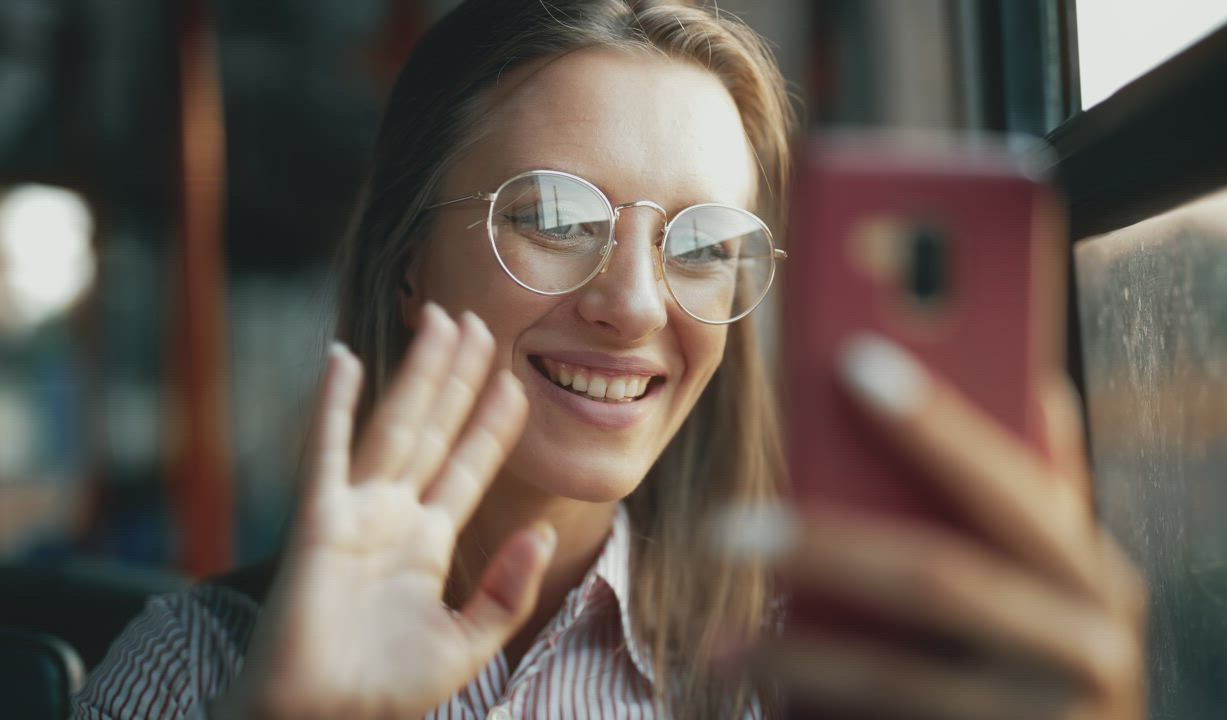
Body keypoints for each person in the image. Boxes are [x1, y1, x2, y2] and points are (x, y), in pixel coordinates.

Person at [73, 1, 1147, 718]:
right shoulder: (197, 668)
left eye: (703, 246)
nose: (634, 305)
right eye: (550, 214)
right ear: (407, 264)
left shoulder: (822, 673)